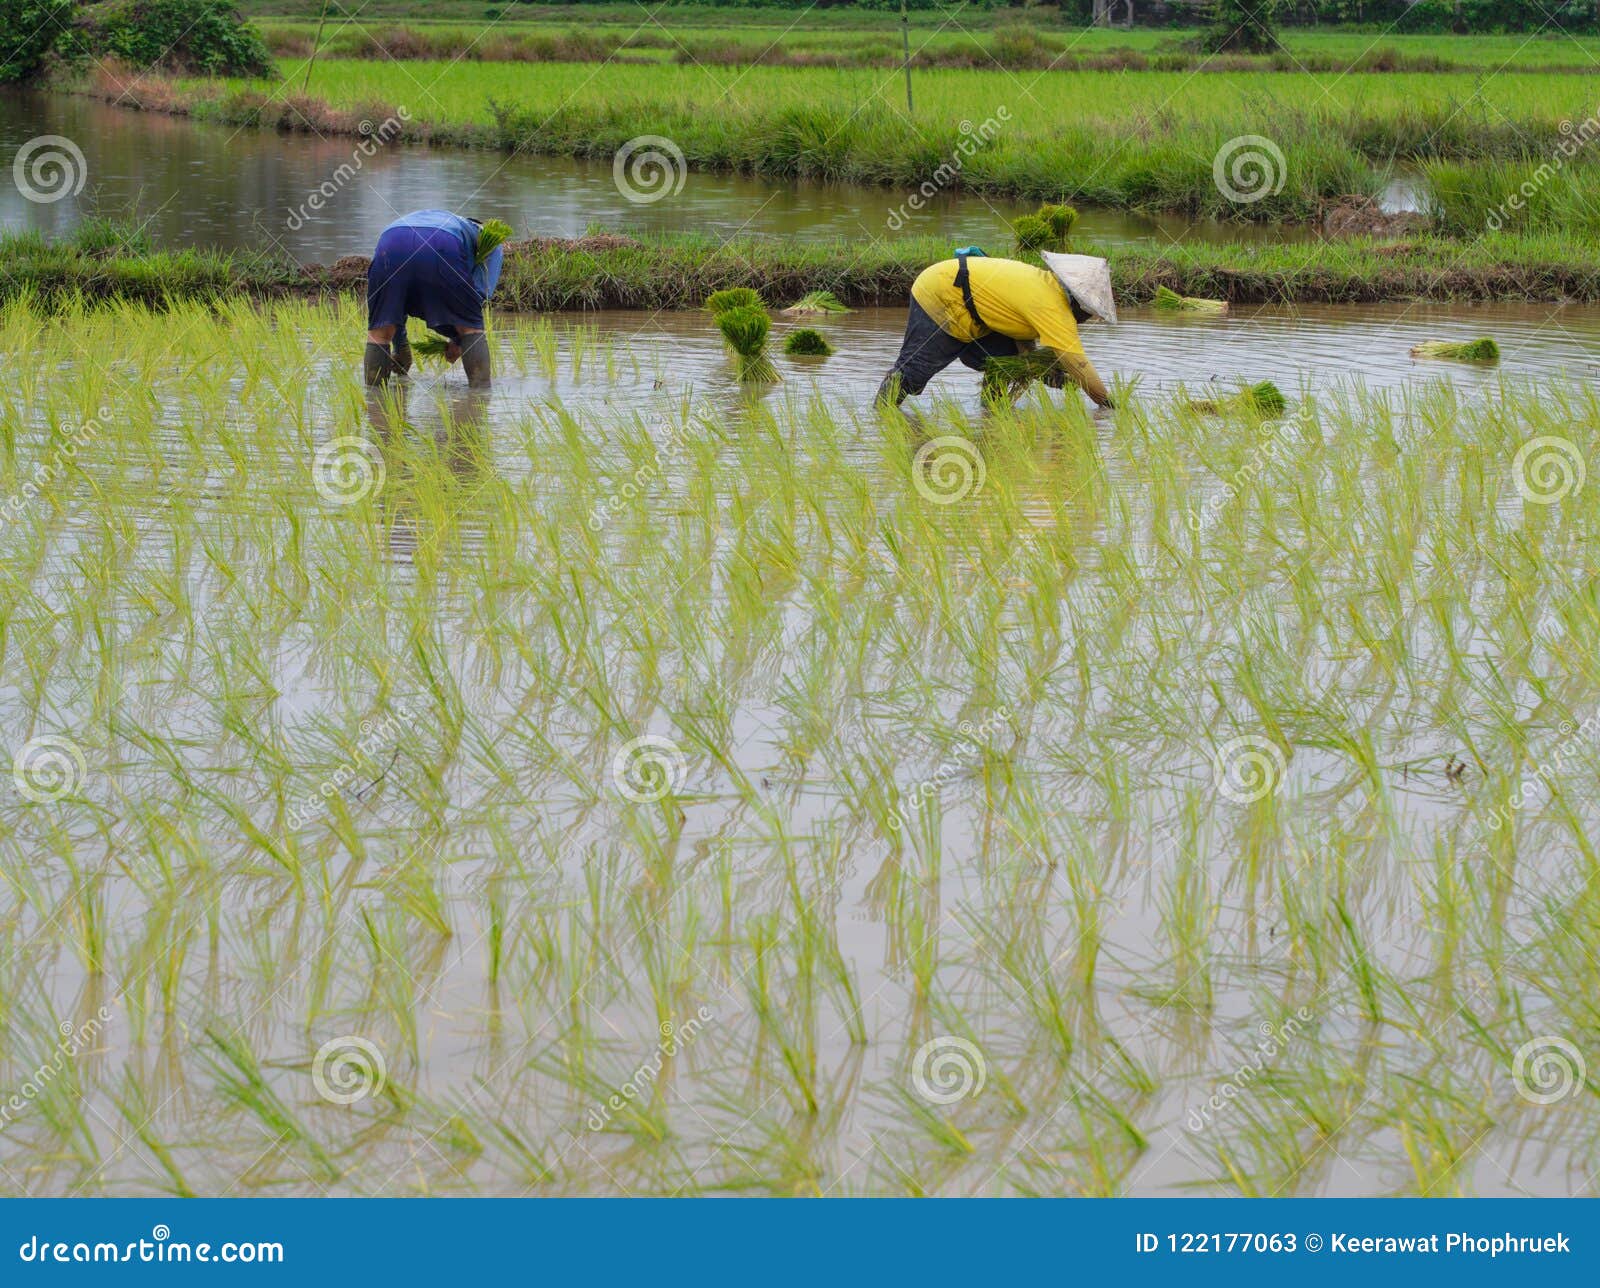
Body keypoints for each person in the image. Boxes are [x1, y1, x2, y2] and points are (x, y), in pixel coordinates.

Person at [876, 250, 1116, 408]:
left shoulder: (1046, 285)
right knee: (913, 372)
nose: (1085, 319)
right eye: (1088, 313)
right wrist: (1107, 404)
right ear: (1079, 303)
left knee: (1005, 363)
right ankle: (881, 416)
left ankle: (991, 412)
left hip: (972, 306)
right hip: (943, 293)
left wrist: (1046, 373)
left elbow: (1022, 346)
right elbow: (1077, 361)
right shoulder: (1052, 306)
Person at [364, 210, 504, 388]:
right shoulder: (486, 238)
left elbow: (393, 310)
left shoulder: (435, 219)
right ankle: (479, 399)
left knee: (379, 333)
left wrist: (400, 349)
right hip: (442, 243)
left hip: (391, 242)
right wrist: (461, 337)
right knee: (471, 329)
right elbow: (479, 295)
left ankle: (374, 403)